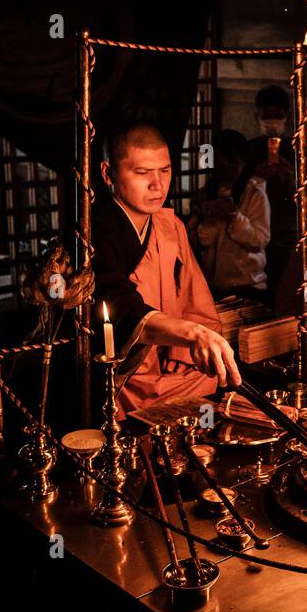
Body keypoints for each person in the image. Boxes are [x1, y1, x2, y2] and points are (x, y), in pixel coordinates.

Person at [92, 121, 241, 418]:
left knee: (211, 377)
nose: (157, 184)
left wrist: (183, 348)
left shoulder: (170, 225)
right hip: (125, 372)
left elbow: (196, 299)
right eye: (142, 172)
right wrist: (190, 335)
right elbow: (121, 307)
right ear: (108, 173)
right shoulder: (94, 233)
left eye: (164, 170)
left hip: (172, 364)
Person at [245, 84, 307, 312]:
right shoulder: (249, 150)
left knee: (289, 297)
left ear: (287, 116)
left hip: (289, 238)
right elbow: (236, 197)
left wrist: (293, 181)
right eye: (266, 116)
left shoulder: (300, 151)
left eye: (277, 116)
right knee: (258, 302)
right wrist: (256, 179)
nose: (272, 122)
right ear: (257, 116)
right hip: (253, 239)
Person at [188, 130, 270, 301]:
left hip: (249, 286)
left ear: (242, 162)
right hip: (214, 287)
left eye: (231, 162)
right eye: (220, 161)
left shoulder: (254, 193)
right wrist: (208, 220)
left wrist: (233, 215)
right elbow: (195, 243)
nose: (224, 168)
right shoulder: (205, 195)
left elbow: (259, 240)